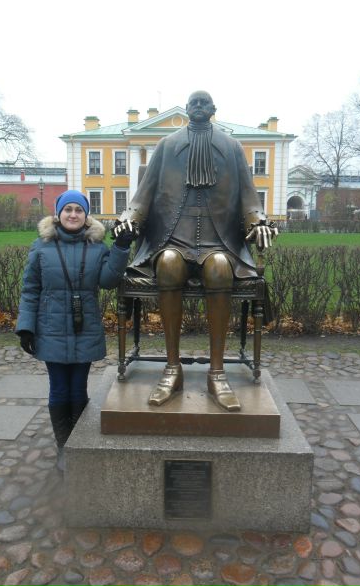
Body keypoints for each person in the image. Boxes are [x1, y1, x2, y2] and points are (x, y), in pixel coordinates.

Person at [117, 90, 276, 412]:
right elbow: (142, 196)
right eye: (194, 103)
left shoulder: (232, 147)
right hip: (172, 238)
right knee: (168, 264)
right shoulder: (167, 146)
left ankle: (217, 373)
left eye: (205, 103)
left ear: (214, 108)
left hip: (220, 241)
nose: (199, 107)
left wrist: (259, 222)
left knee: (219, 268)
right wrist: (128, 218)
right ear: (187, 109)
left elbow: (249, 198)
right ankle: (172, 369)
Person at [16, 190, 136, 470]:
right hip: (51, 328)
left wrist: (120, 247)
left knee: (78, 389)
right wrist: (26, 327)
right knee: (59, 389)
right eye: (67, 209)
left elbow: (108, 280)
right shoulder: (41, 247)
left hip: (85, 328)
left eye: (78, 210)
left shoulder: (97, 247)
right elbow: (31, 289)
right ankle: (64, 446)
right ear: (58, 214)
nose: (73, 214)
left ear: (86, 215)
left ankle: (78, 444)